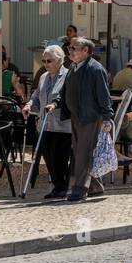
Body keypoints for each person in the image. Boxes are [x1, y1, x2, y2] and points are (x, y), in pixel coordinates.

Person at [56, 37, 113, 203]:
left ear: (86, 51)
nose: (70, 50)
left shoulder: (96, 70)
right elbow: (64, 90)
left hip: (90, 118)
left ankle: (80, 190)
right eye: (69, 47)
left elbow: (104, 96)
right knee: (80, 152)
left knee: (83, 154)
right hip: (76, 116)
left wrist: (107, 119)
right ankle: (95, 186)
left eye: (74, 48)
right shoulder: (72, 67)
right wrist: (55, 103)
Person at [26, 44, 71, 200]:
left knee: (58, 157)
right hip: (44, 123)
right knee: (48, 157)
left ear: (59, 60)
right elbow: (36, 96)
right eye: (43, 61)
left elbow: (67, 98)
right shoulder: (44, 77)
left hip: (62, 125)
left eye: (49, 61)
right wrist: (29, 105)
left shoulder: (68, 75)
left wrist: (55, 105)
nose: (45, 64)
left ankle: (61, 187)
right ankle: (57, 187)